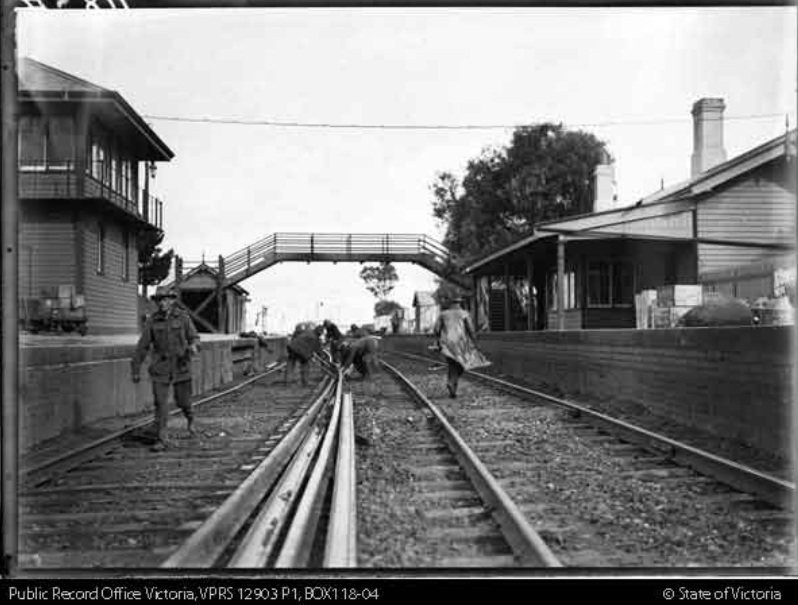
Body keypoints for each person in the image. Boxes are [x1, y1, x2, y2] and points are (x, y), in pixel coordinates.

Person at [131, 286, 200, 452]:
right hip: (160, 368)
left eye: (165, 300)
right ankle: (162, 439)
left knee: (183, 402)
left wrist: (194, 346)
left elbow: (194, 337)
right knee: (160, 404)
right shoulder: (152, 321)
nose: (162, 303)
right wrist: (135, 368)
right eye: (159, 300)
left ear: (172, 300)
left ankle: (190, 418)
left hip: (181, 366)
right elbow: (143, 346)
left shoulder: (183, 318)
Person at [433, 296, 490, 398]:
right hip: (460, 342)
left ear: (450, 304)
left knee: (452, 364)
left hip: (446, 343)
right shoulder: (464, 313)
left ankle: (452, 388)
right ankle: (452, 382)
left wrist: (438, 339)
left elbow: (436, 329)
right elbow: (470, 329)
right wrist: (474, 340)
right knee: (462, 364)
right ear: (459, 304)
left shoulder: (443, 314)